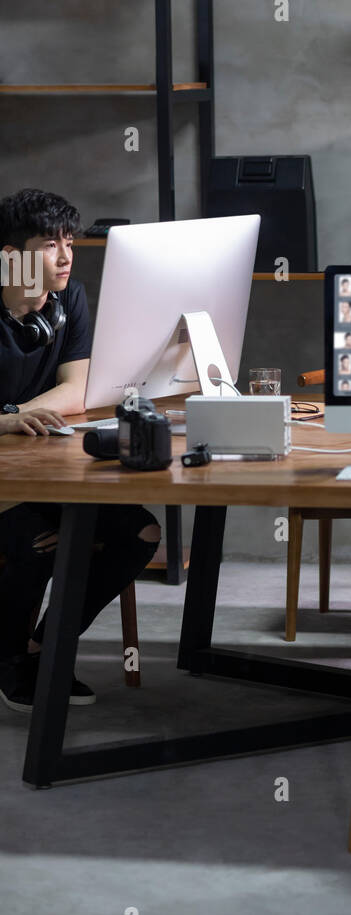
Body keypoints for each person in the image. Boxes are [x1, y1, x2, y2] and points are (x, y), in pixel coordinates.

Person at [0, 189, 161, 714]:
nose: (67, 256)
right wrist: (8, 421)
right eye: (50, 245)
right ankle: (10, 662)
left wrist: (22, 414)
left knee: (141, 532)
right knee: (42, 539)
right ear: (9, 254)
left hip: (37, 466)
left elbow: (80, 386)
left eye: (70, 241)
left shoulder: (69, 300)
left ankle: (45, 649)